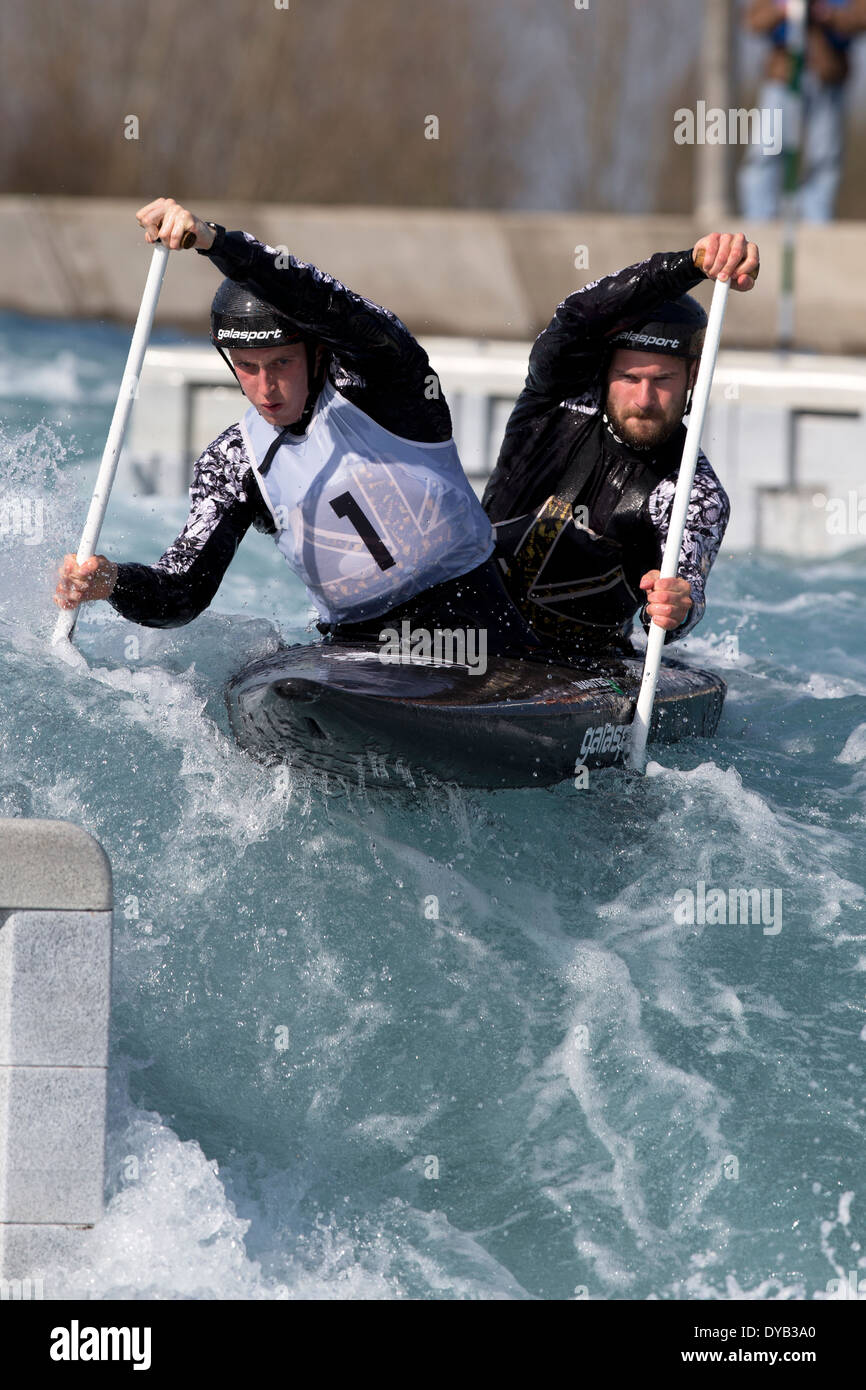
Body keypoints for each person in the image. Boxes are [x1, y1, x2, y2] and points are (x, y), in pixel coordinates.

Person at [55, 198, 540, 660]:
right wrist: (111, 582)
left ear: (317, 351)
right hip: (359, 651)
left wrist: (214, 242)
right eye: (246, 366)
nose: (266, 388)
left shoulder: (387, 384)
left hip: (481, 628)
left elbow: (329, 303)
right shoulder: (233, 463)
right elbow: (182, 592)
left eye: (282, 362)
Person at [482, 233, 760, 658]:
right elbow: (576, 317)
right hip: (470, 624)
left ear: (694, 378)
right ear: (606, 372)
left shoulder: (693, 493)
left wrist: (676, 608)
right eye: (630, 379)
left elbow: (682, 597)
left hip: (580, 664)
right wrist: (689, 264)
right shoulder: (555, 402)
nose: (645, 401)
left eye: (663, 380)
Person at [738, 0, 866, 223]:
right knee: (766, 150)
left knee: (825, 156)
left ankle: (816, 221)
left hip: (829, 77)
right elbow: (754, 20)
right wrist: (784, 10)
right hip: (783, 78)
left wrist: (829, 16)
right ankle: (759, 220)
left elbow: (861, 17)